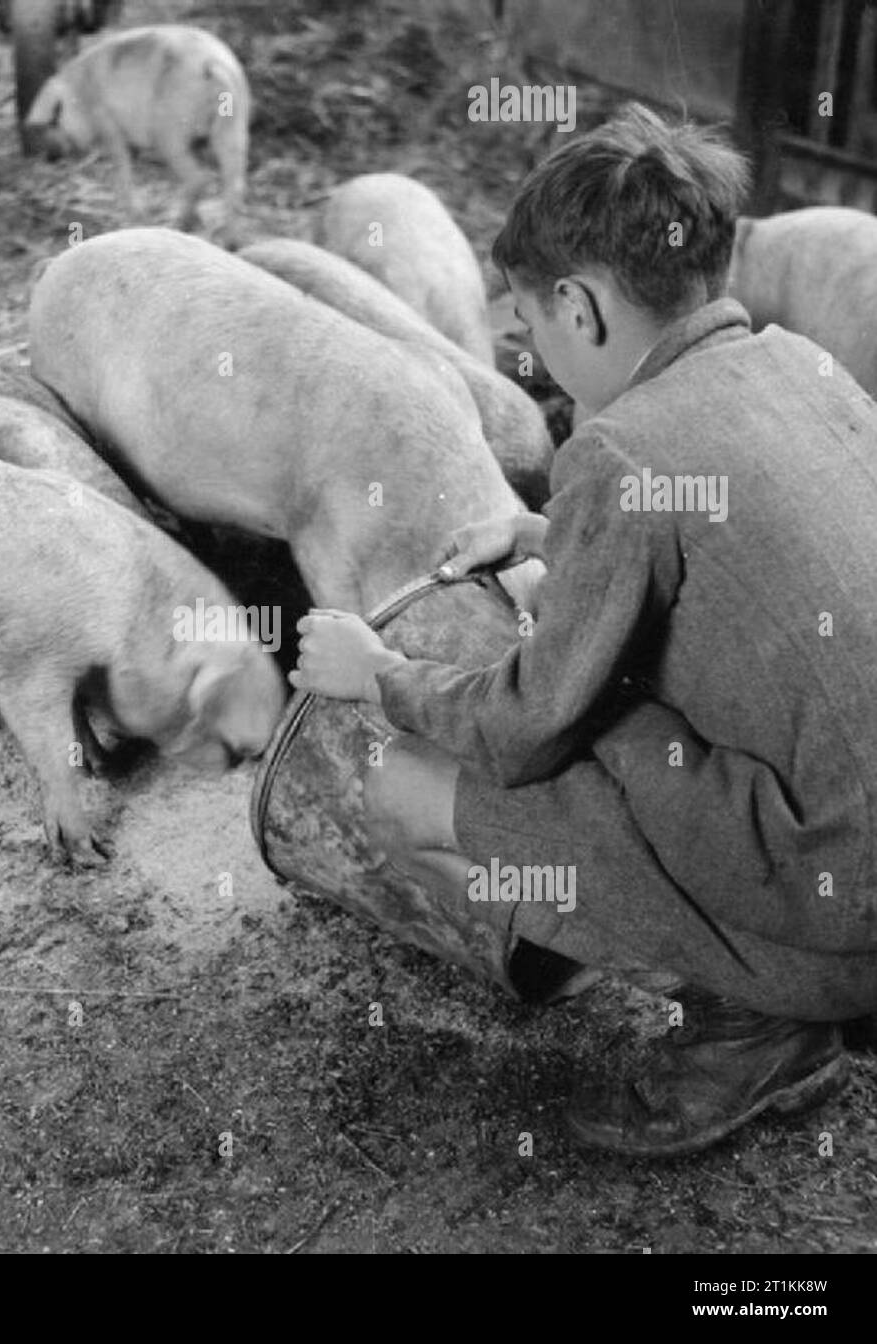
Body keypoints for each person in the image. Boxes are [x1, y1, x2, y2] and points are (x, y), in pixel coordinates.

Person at [289, 103, 877, 1157]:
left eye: (530, 330)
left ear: (581, 306)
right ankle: (766, 979)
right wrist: (553, 532)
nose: (535, 356)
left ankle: (757, 1023)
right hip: (851, 844)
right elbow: (741, 553)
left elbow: (527, 726)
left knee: (404, 797)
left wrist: (377, 673)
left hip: (837, 918)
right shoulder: (805, 366)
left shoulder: (620, 452)